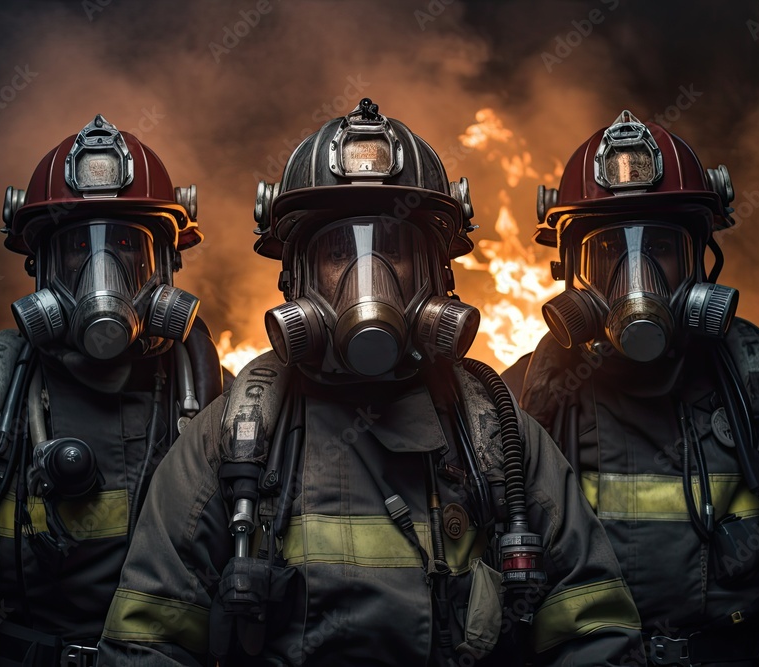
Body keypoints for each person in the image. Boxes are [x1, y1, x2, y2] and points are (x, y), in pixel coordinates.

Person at [98, 98, 642, 667]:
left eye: (395, 252)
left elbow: (594, 629)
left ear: (438, 275)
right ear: (295, 277)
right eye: (339, 253)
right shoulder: (234, 437)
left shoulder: (496, 435)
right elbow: (148, 640)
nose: (368, 279)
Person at [504, 110, 759, 666]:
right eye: (609, 253)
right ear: (571, 271)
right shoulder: (522, 405)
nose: (636, 280)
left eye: (661, 250)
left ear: (699, 263)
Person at [0, 115, 227, 665]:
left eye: (127, 244)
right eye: (78, 247)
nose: (103, 274)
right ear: (39, 269)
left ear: (167, 264)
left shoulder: (222, 411)